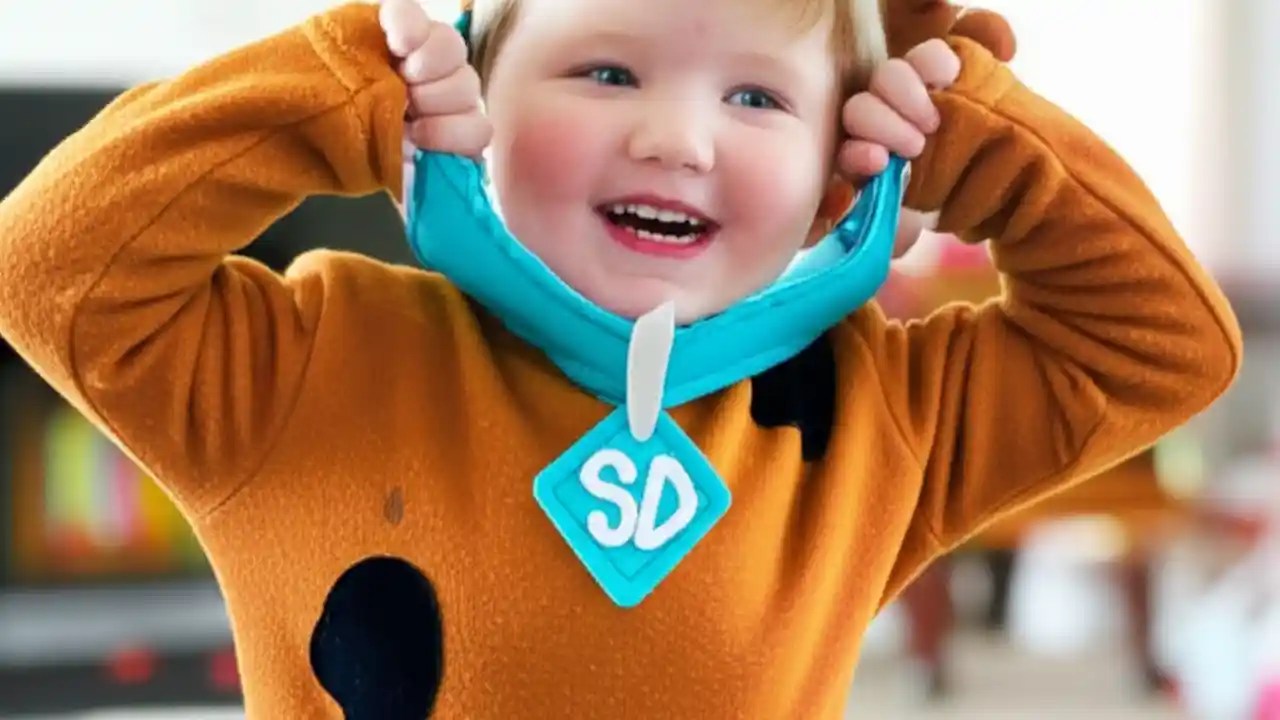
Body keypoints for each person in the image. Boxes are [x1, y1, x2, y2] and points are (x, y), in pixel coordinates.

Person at [0, 0, 1241, 716]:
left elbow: (1162, 346)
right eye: (605, 71)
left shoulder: (876, 414)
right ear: (475, 100)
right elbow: (44, 269)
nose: (676, 139)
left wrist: (977, 142)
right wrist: (342, 83)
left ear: (837, 175)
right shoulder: (313, 359)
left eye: (756, 100)